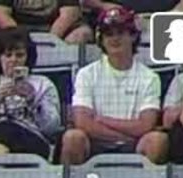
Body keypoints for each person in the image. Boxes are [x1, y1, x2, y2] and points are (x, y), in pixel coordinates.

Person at [60, 7, 169, 166]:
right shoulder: (86, 74)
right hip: (96, 141)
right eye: (109, 34)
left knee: (158, 140)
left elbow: (146, 125)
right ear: (101, 39)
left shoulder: (150, 77)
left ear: (133, 36)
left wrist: (102, 120)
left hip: (134, 144)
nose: (114, 39)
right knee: (73, 138)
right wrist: (122, 136)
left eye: (120, 33)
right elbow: (82, 122)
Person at [0, 27, 64, 160]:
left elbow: (52, 128)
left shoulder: (43, 84)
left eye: (19, 55)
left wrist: (33, 101)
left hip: (32, 141)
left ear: (27, 58)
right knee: (1, 132)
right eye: (8, 55)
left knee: (5, 129)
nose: (13, 60)